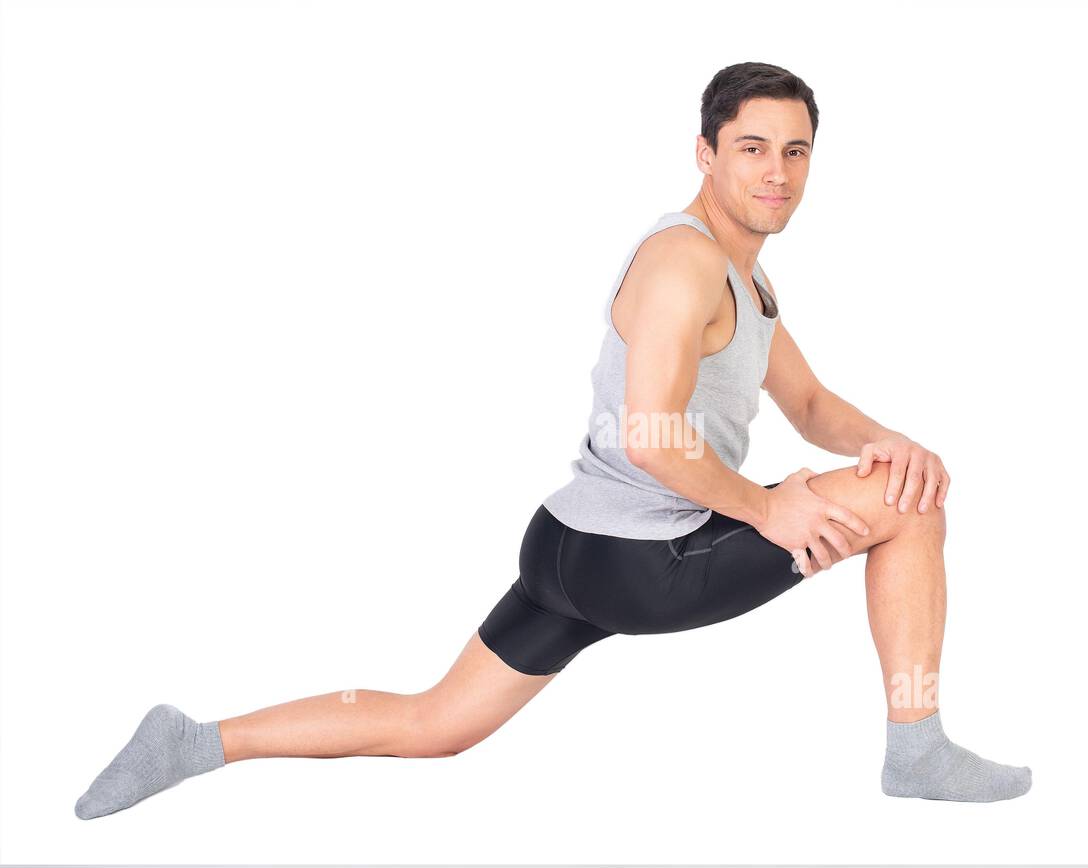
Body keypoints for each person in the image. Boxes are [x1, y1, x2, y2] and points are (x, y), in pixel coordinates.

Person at [74, 62, 1030, 820]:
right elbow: (655, 436)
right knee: (911, 510)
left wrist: (897, 438)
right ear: (704, 153)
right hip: (644, 554)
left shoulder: (745, 275)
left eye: (796, 151)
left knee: (431, 722)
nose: (776, 173)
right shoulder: (683, 265)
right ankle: (919, 747)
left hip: (568, 543)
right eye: (751, 148)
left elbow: (812, 402)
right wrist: (773, 503)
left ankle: (196, 741)